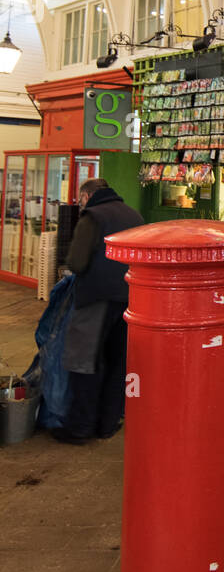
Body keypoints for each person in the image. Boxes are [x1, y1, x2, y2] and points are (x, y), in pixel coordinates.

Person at [53, 179, 143, 443]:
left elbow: (77, 261)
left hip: (96, 298)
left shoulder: (93, 216)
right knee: (118, 362)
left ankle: (80, 427)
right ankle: (108, 423)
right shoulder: (133, 214)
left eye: (80, 198)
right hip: (130, 299)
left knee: (86, 361)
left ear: (86, 195)